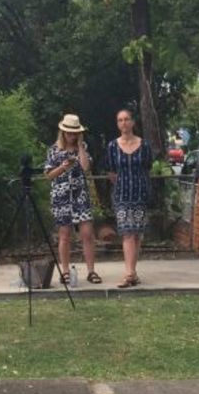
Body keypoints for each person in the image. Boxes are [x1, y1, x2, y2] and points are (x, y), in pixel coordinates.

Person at [44, 114, 100, 285]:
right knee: (64, 235)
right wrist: (62, 167)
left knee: (87, 234)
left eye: (75, 133)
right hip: (61, 196)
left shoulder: (82, 147)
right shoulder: (54, 150)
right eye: (69, 133)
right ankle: (65, 271)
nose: (71, 136)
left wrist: (81, 147)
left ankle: (91, 271)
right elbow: (48, 175)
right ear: (62, 132)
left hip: (80, 195)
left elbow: (85, 167)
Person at [106, 109, 152, 288]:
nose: (123, 123)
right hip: (122, 195)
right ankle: (129, 273)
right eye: (120, 120)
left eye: (126, 119)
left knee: (137, 234)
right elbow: (111, 172)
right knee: (127, 233)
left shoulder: (144, 145)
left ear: (133, 122)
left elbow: (147, 167)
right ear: (117, 124)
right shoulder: (112, 146)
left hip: (140, 193)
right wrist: (122, 183)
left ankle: (133, 273)